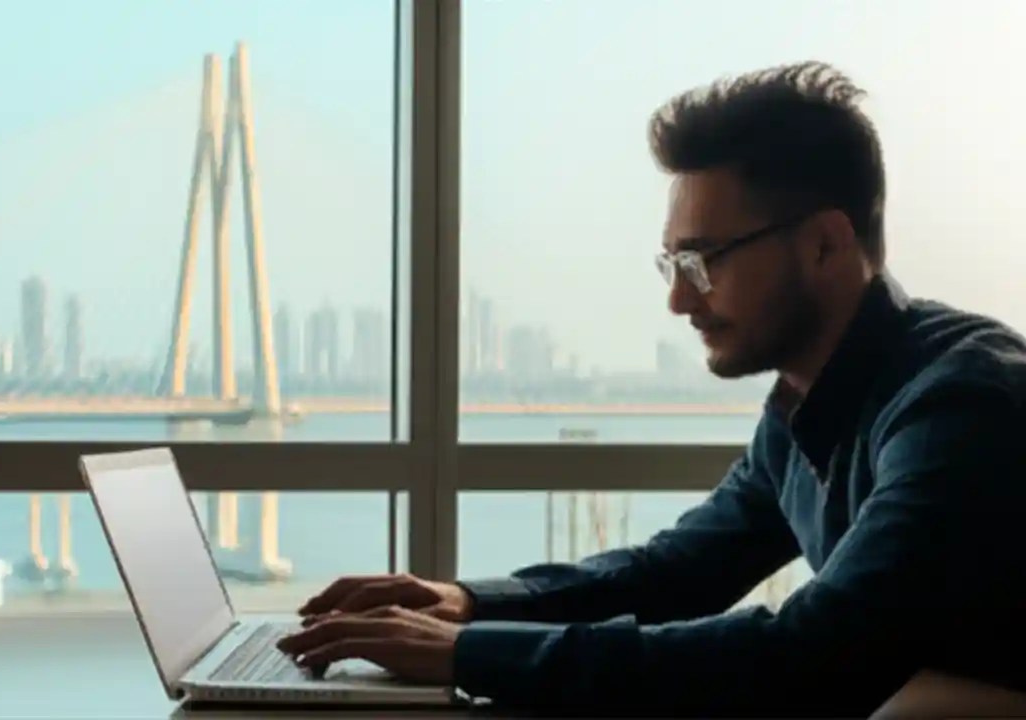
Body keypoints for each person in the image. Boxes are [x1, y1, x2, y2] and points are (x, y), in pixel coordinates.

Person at [276, 60, 1026, 716]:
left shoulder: (959, 407)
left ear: (826, 242)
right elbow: (678, 571)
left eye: (703, 261)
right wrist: (467, 604)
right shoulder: (804, 405)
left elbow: (812, 655)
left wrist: (465, 655)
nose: (679, 300)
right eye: (671, 265)